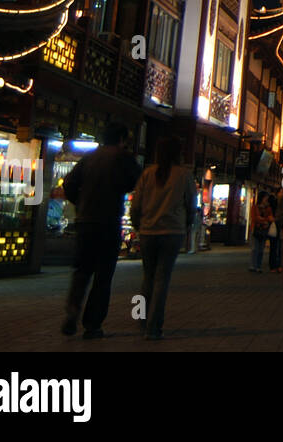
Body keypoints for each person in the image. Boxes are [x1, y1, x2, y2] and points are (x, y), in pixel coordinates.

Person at [61, 121, 141, 339]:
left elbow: (68, 184)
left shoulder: (89, 158)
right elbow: (136, 182)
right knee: (103, 275)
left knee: (82, 270)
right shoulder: (123, 158)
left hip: (85, 222)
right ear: (122, 139)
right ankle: (92, 324)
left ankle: (72, 310)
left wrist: (81, 203)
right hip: (108, 222)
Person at [129, 137, 197, 341]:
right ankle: (153, 327)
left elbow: (136, 205)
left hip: (148, 231)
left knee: (147, 278)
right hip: (172, 231)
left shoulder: (148, 173)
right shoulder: (184, 175)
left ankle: (140, 320)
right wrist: (186, 223)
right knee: (161, 280)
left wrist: (138, 225)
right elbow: (192, 204)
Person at [249, 195, 273, 272]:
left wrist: (262, 219)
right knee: (255, 248)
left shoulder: (268, 208)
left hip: (263, 230)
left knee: (261, 249)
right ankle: (253, 265)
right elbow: (254, 218)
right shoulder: (255, 207)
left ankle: (258, 266)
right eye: (265, 198)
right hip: (256, 229)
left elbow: (270, 218)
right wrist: (264, 220)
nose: (266, 200)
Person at [266, 193, 282, 272]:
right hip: (276, 226)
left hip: (279, 226)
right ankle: (275, 266)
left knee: (278, 247)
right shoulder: (274, 204)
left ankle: (277, 265)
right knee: (275, 247)